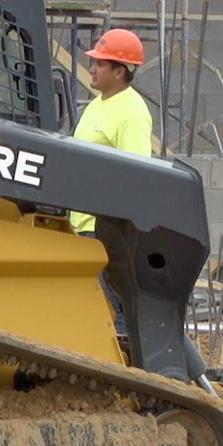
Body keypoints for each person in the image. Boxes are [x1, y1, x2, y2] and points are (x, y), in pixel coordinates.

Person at [68, 27, 153, 332]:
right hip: (81, 224)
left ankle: (123, 370)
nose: (91, 68)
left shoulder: (131, 113)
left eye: (100, 64)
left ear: (120, 71)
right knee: (86, 310)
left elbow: (136, 175)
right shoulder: (97, 104)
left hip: (104, 229)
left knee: (109, 309)